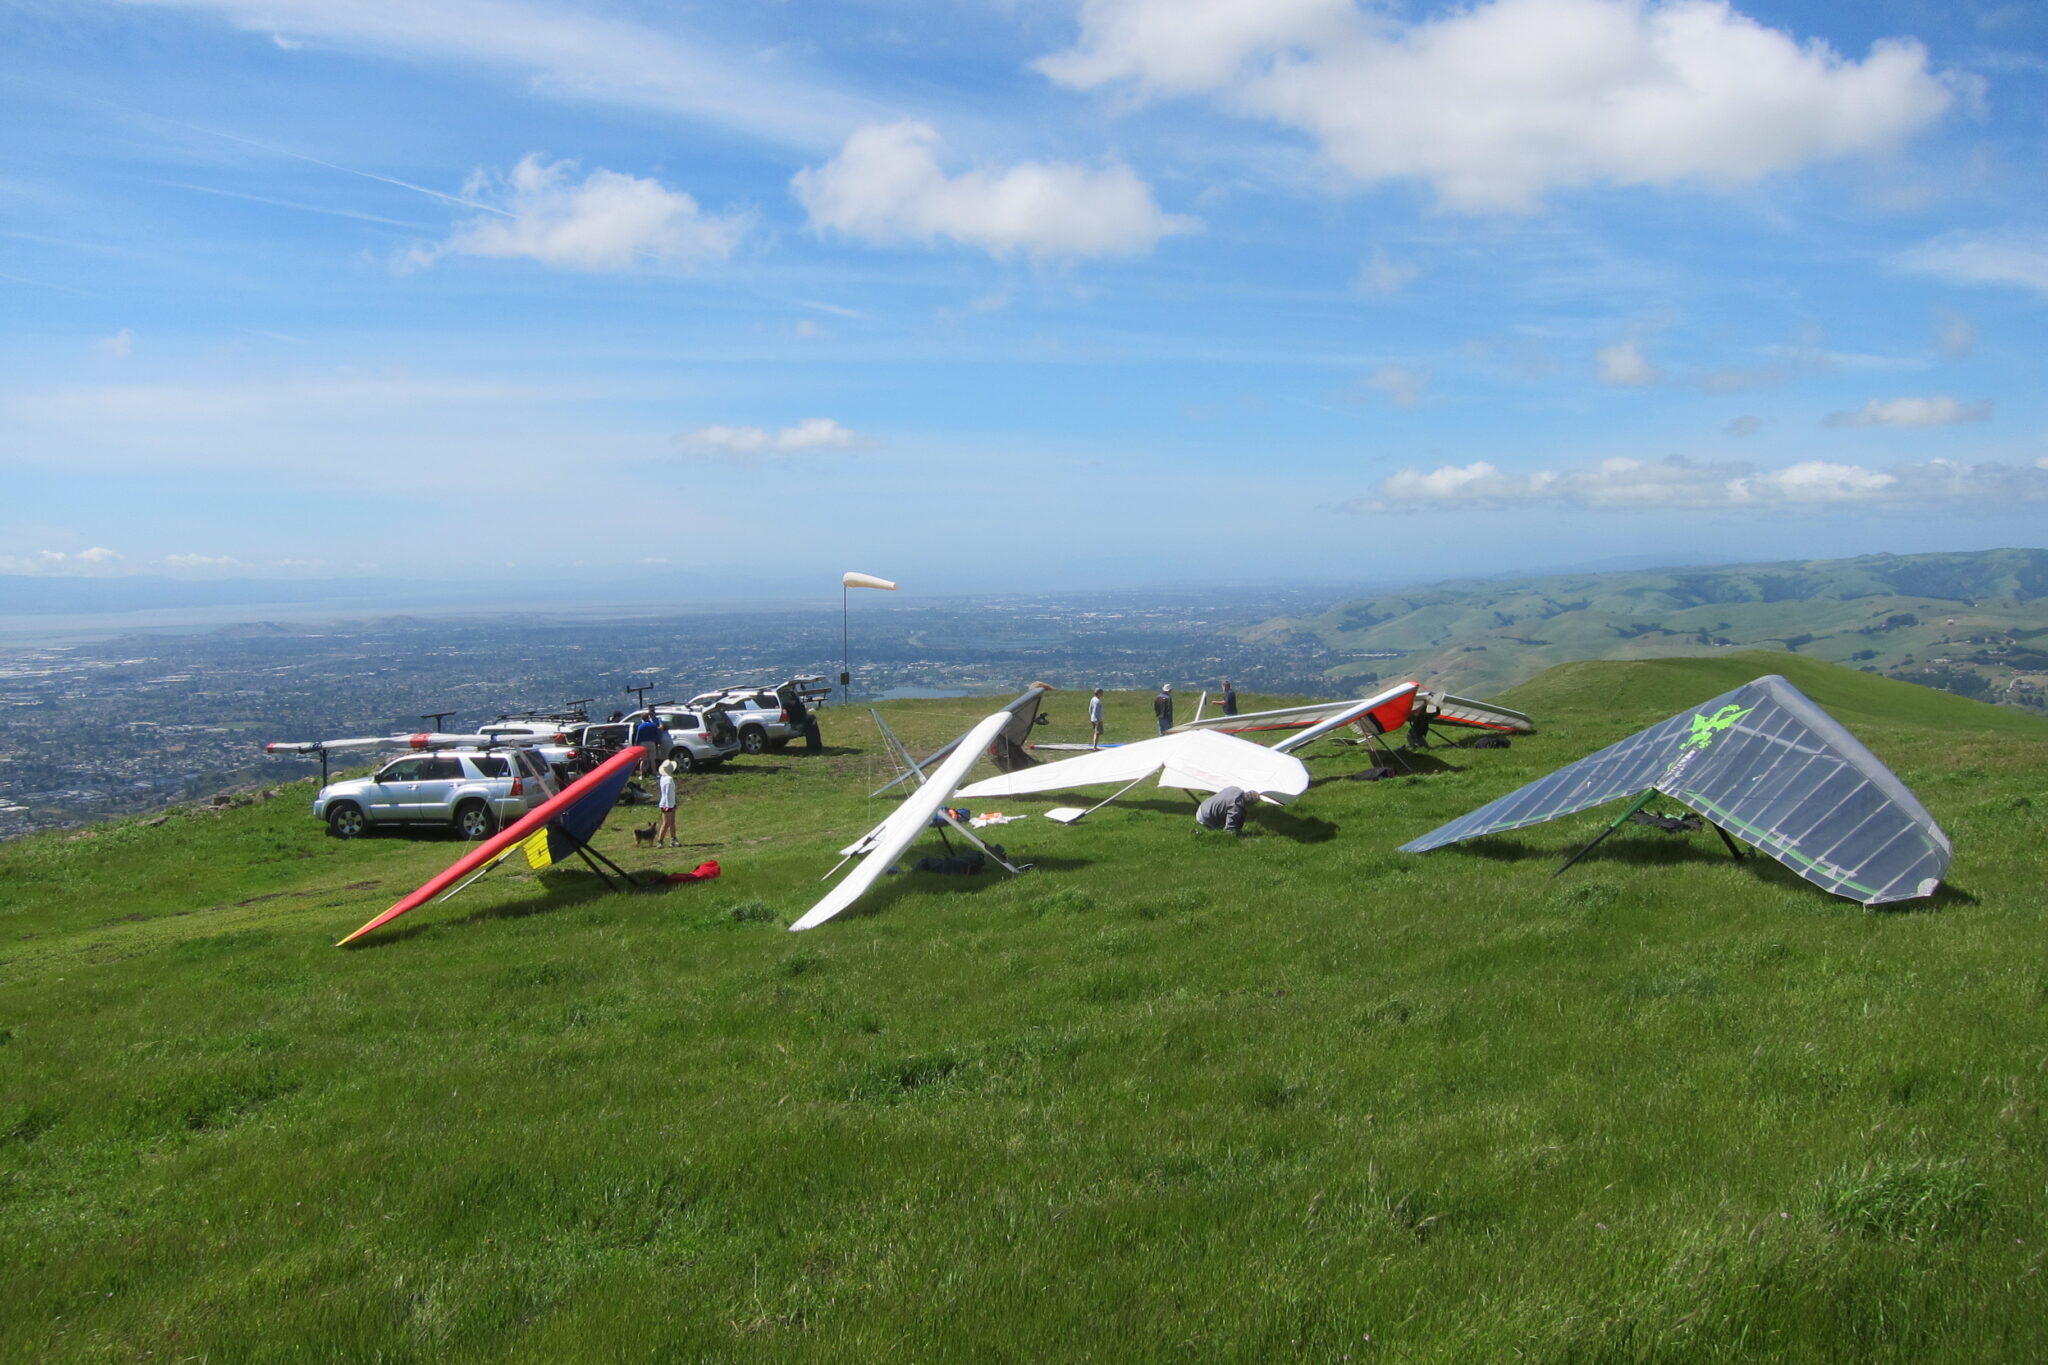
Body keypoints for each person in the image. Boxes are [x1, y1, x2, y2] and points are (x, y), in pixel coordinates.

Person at [655, 753, 681, 847]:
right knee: (666, 823)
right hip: (667, 804)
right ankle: (660, 841)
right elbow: (667, 793)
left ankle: (673, 839)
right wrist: (668, 805)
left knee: (671, 822)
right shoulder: (669, 779)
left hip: (669, 802)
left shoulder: (663, 778)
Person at [632, 711, 665, 776]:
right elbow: (656, 735)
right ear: (648, 717)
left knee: (643, 760)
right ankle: (654, 772)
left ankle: (642, 774)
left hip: (643, 744)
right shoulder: (653, 725)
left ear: (642, 719)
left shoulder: (640, 726)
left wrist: (636, 745)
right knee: (652, 759)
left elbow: (638, 737)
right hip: (652, 743)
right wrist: (658, 743)